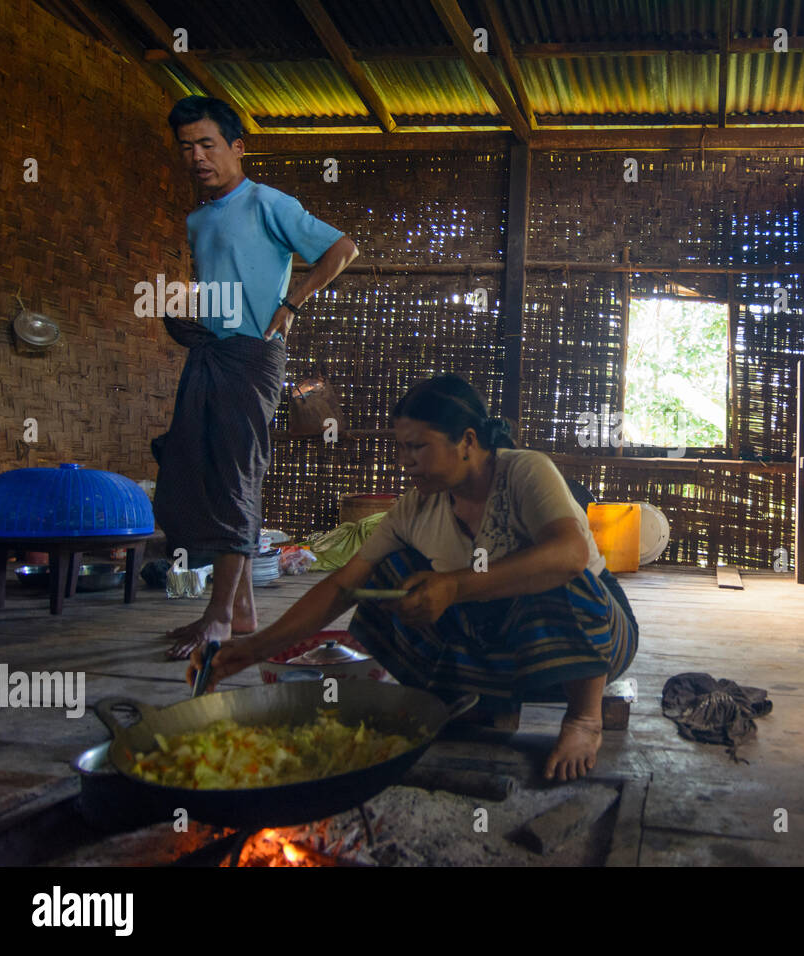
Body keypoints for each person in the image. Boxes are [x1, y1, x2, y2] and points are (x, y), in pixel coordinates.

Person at [188, 375, 638, 782]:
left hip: (588, 646)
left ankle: (584, 719)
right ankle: (464, 699)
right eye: (401, 447)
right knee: (387, 579)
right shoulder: (415, 508)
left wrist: (456, 585)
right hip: (505, 655)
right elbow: (342, 585)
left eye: (417, 447)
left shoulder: (524, 471)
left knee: (556, 572)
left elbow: (571, 554)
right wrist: (252, 650)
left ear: (466, 440)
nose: (405, 461)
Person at [155, 95, 358, 660]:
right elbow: (229, 283)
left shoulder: (268, 202)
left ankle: (218, 616)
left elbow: (342, 248)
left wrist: (291, 304)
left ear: (236, 148)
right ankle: (239, 609)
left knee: (237, 471)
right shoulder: (198, 218)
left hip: (253, 357)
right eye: (187, 148)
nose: (197, 157)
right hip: (213, 352)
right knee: (203, 469)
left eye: (208, 144)